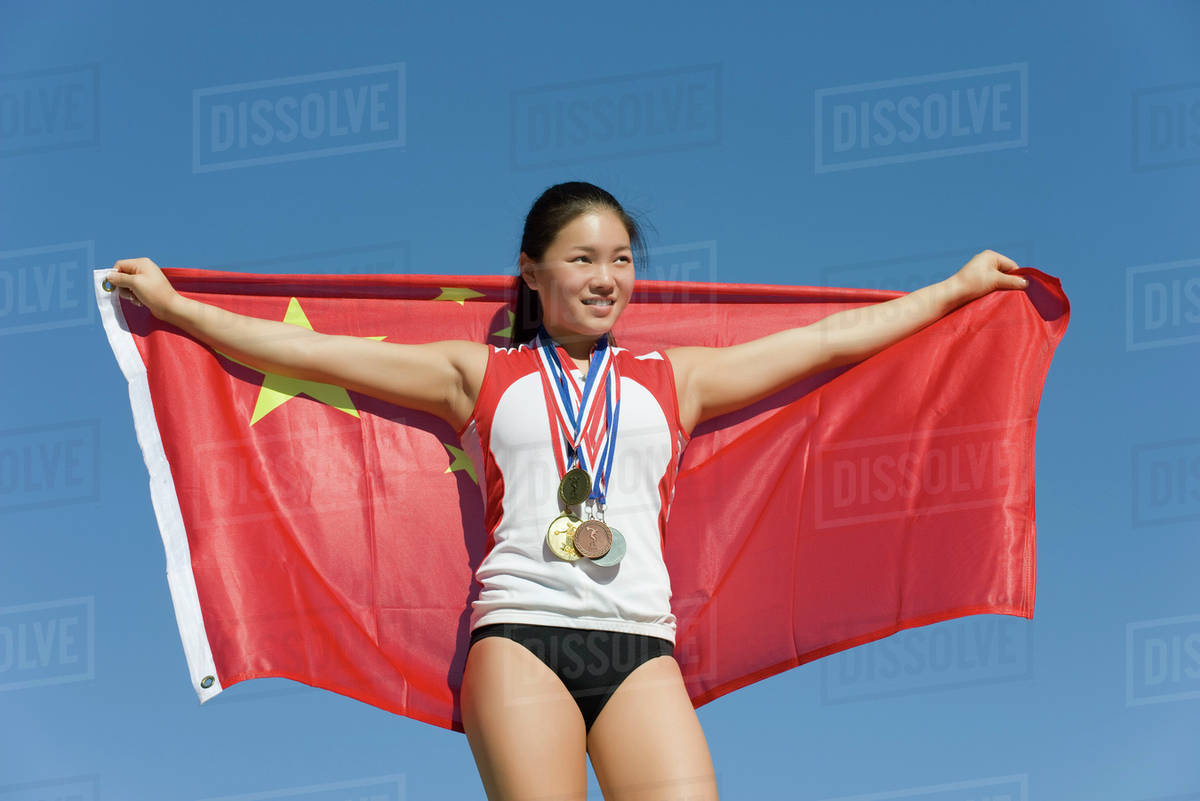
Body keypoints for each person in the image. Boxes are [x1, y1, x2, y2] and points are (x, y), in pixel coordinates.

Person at [105, 181, 1028, 801]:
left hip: (643, 648)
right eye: (584, 259)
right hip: (520, 641)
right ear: (534, 271)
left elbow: (829, 344)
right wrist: (181, 311)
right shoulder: (477, 375)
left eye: (622, 259)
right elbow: (309, 352)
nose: (607, 277)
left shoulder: (680, 378)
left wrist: (952, 289)